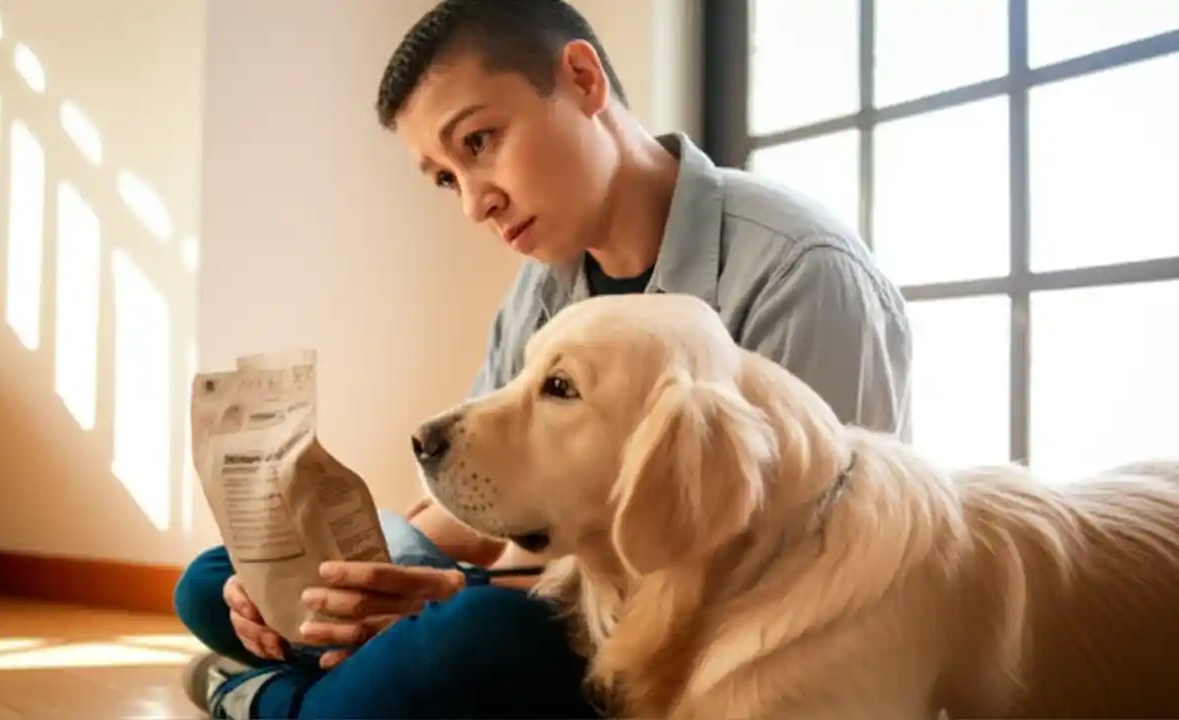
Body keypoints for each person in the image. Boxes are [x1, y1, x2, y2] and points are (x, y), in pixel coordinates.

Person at [174, 0, 912, 717]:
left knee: (472, 640)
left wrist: (468, 599)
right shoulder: (545, 283)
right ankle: (333, 671)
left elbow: (788, 583)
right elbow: (478, 499)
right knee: (216, 581)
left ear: (584, 80)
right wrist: (361, 578)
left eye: (478, 143)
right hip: (544, 588)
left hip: (704, 641)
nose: (472, 204)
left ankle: (269, 697)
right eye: (444, 178)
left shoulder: (800, 270)